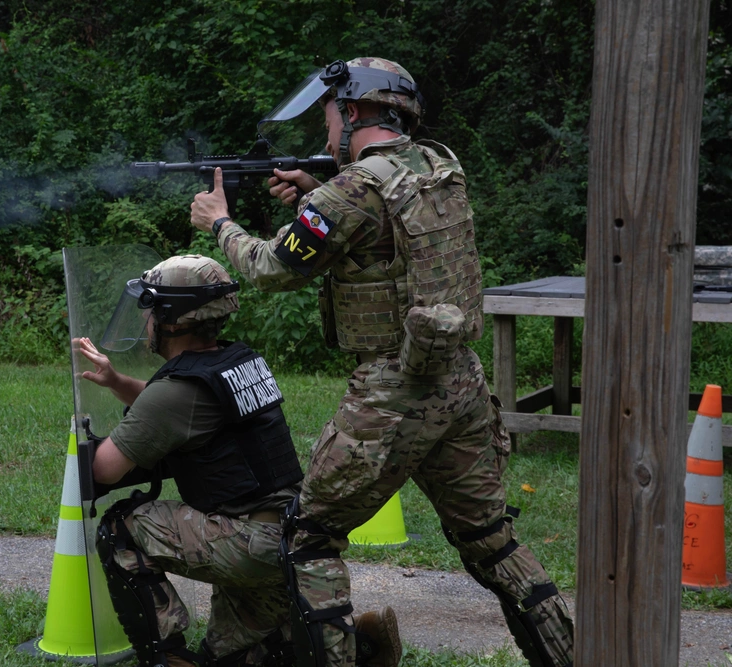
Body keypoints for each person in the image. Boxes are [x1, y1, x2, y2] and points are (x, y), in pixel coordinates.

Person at [189, 58, 575, 667]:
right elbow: (384, 241)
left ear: (354, 110)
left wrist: (221, 224)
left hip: (394, 391)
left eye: (329, 115)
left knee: (309, 538)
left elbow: (271, 267)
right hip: (459, 379)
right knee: (490, 540)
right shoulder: (438, 166)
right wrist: (316, 194)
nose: (324, 132)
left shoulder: (353, 188)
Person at [78, 254, 401, 667]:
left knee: (120, 528)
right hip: (288, 537)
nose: (146, 323)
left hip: (245, 543)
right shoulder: (237, 363)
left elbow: (105, 468)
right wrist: (116, 382)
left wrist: (81, 443)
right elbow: (177, 410)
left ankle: (166, 659)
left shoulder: (178, 392)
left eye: (150, 311)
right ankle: (361, 648)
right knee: (230, 659)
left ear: (171, 320)